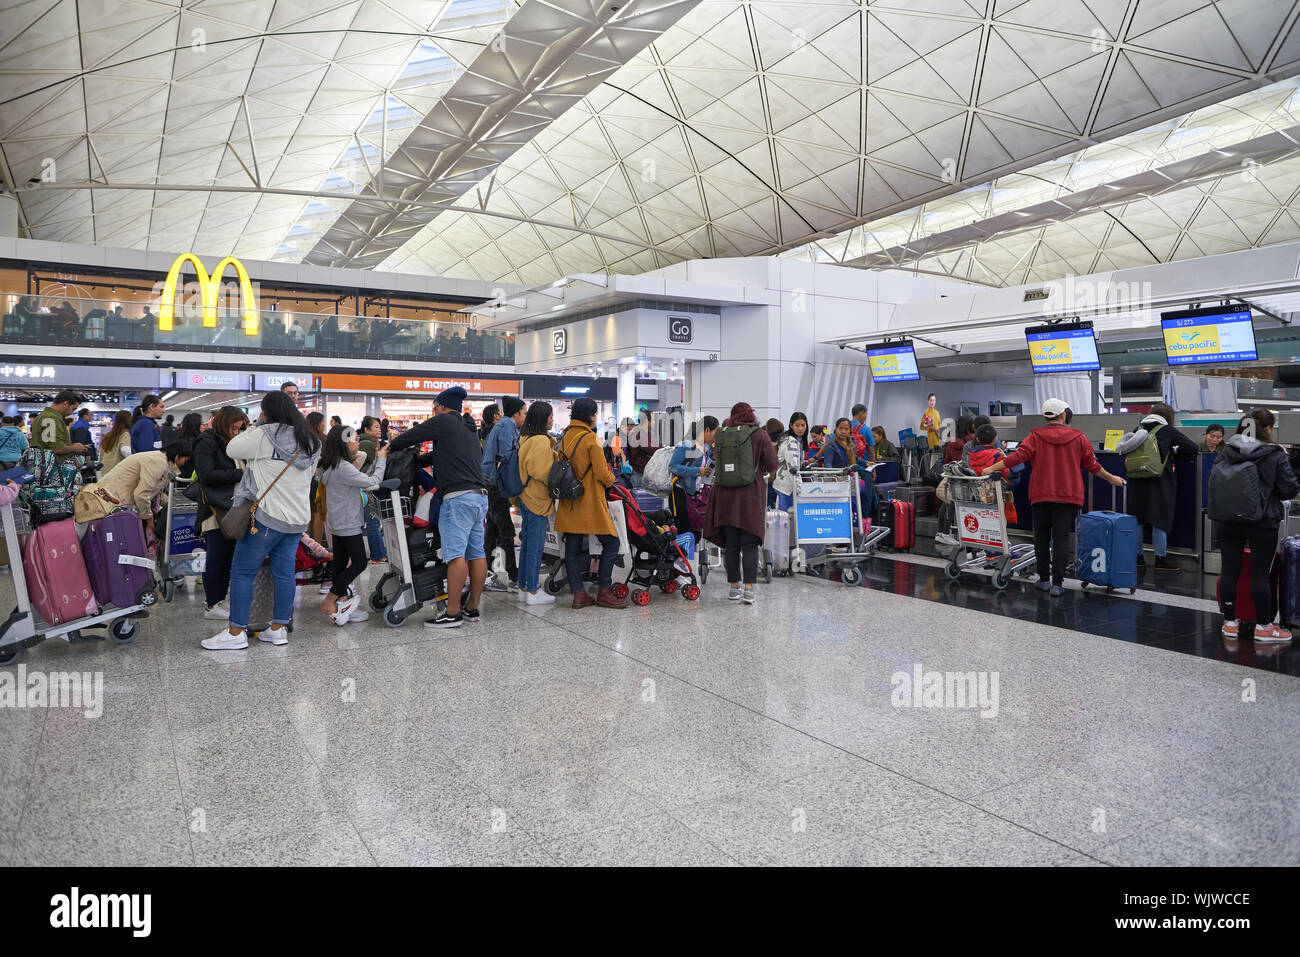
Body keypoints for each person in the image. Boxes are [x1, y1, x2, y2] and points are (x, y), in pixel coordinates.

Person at [202, 391, 321, 650]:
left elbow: (232, 447)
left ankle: (235, 633)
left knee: (243, 572)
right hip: (297, 518)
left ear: (266, 412)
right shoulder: (310, 441)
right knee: (284, 573)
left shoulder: (264, 434)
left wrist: (257, 425)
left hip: (267, 517)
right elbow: (308, 475)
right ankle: (277, 629)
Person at [982, 398, 1124, 596]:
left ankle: (1043, 580)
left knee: (1040, 538)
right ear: (1063, 415)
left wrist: (991, 467)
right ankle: (1058, 584)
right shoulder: (1078, 437)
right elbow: (1092, 465)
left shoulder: (1035, 436)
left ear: (1044, 417)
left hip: (1041, 495)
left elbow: (1016, 458)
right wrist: (1111, 479)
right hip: (1068, 496)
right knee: (1061, 539)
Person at [388, 387, 489, 628]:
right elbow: (439, 456)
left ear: (443, 407)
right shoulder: (468, 430)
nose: (434, 412)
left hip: (458, 499)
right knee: (477, 553)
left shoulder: (445, 421)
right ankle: (471, 608)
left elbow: (412, 435)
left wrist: (392, 446)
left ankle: (452, 613)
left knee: (455, 556)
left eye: (435, 408)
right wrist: (417, 460)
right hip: (479, 497)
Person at [1213, 409, 1299, 643]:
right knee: (1259, 574)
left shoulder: (1227, 450)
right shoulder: (1274, 453)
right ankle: (1263, 626)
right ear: (1268, 428)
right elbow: (1289, 489)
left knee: (1229, 571)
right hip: (1262, 522)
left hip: (1228, 519)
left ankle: (1230, 623)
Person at [703, 402, 778, 604]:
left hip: (725, 496)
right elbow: (772, 464)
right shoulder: (760, 435)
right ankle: (749, 590)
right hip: (750, 497)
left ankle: (734, 587)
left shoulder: (722, 434)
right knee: (750, 544)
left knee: (732, 544)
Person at [554, 396, 624, 609]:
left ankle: (579, 594)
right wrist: (613, 479)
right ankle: (604, 589)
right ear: (590, 416)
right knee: (612, 543)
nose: (596, 417)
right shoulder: (590, 439)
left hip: (570, 501)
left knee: (572, 547)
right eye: (595, 413)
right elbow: (603, 473)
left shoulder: (565, 436)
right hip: (590, 502)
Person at [318, 425, 390, 625]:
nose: (357, 442)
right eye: (353, 439)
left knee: (340, 565)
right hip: (348, 522)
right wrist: (382, 459)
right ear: (343, 443)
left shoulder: (331, 464)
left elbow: (359, 469)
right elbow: (373, 482)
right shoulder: (343, 467)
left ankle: (342, 602)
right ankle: (330, 600)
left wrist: (372, 458)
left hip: (337, 521)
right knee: (359, 562)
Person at [1116, 402, 1197, 572]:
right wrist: (1173, 451)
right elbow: (1192, 448)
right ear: (1168, 417)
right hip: (1159, 481)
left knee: (1137, 519)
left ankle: (1138, 557)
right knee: (1159, 519)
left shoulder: (1138, 428)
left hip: (1136, 479)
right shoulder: (1167, 430)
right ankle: (1160, 558)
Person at [193, 406, 248, 621]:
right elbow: (206, 475)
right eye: (234, 427)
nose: (236, 432)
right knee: (216, 557)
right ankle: (211, 603)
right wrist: (240, 474)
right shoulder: (206, 441)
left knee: (227, 558)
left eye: (239, 429)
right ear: (225, 423)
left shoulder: (229, 442)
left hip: (232, 507)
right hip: (215, 509)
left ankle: (220, 599)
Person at [95, 440, 192, 536]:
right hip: (113, 499)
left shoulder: (161, 460)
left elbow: (153, 490)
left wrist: (170, 504)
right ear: (177, 456)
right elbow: (141, 495)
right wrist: (149, 519)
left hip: (113, 498)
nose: (183, 464)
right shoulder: (158, 462)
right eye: (185, 460)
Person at [515, 402, 558, 605]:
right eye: (550, 417)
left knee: (527, 545)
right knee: (535, 546)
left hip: (524, 496)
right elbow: (542, 472)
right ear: (542, 419)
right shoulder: (540, 440)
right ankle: (533, 591)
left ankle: (523, 586)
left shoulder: (526, 437)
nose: (552, 420)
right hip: (536, 499)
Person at [481, 396, 524, 590]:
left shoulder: (499, 426)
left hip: (490, 483)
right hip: (497, 485)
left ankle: (485, 572)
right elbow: (507, 455)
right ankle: (513, 576)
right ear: (515, 413)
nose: (525, 417)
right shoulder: (507, 425)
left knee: (492, 530)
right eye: (523, 413)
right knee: (506, 530)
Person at [669, 415, 718, 538]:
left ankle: (682, 556)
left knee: (695, 534)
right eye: (714, 433)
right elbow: (673, 466)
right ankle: (677, 556)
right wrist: (697, 471)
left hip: (693, 497)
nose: (715, 437)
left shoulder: (705, 448)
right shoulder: (686, 445)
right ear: (707, 430)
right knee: (686, 534)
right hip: (680, 494)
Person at [357, 415, 387, 562]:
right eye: (375, 427)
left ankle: (378, 553)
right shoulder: (367, 444)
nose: (379, 429)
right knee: (373, 521)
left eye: (379, 427)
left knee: (372, 521)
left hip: (364, 488)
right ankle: (378, 555)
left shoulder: (368, 443)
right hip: (367, 488)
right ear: (366, 429)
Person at [31, 390, 88, 460]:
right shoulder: (52, 418)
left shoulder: (42, 416)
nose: (72, 412)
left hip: (42, 465)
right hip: (52, 467)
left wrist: (72, 445)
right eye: (73, 409)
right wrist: (74, 448)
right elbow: (57, 449)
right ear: (65, 404)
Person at [770, 412, 807, 511]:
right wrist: (800, 488)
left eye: (803, 425)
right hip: (788, 486)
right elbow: (793, 467)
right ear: (791, 425)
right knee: (784, 520)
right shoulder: (791, 441)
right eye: (797, 425)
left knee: (784, 518)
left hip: (784, 484)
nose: (800, 428)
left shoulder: (796, 440)